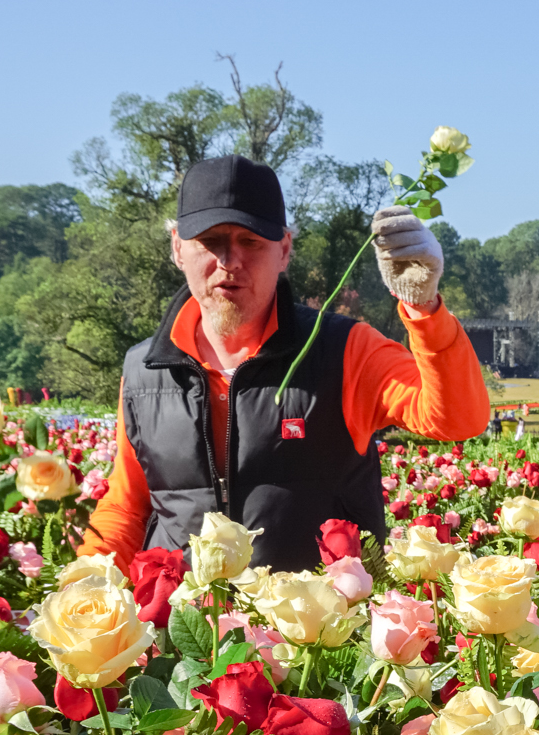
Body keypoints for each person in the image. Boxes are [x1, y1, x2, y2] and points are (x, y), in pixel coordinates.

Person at [79, 154, 489, 574]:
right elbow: (128, 506)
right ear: (177, 248)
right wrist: (86, 579)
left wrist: (423, 308)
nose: (230, 260)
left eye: (251, 241)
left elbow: (458, 419)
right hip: (186, 627)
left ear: (285, 250)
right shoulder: (145, 369)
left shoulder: (345, 349)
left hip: (318, 632)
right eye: (210, 240)